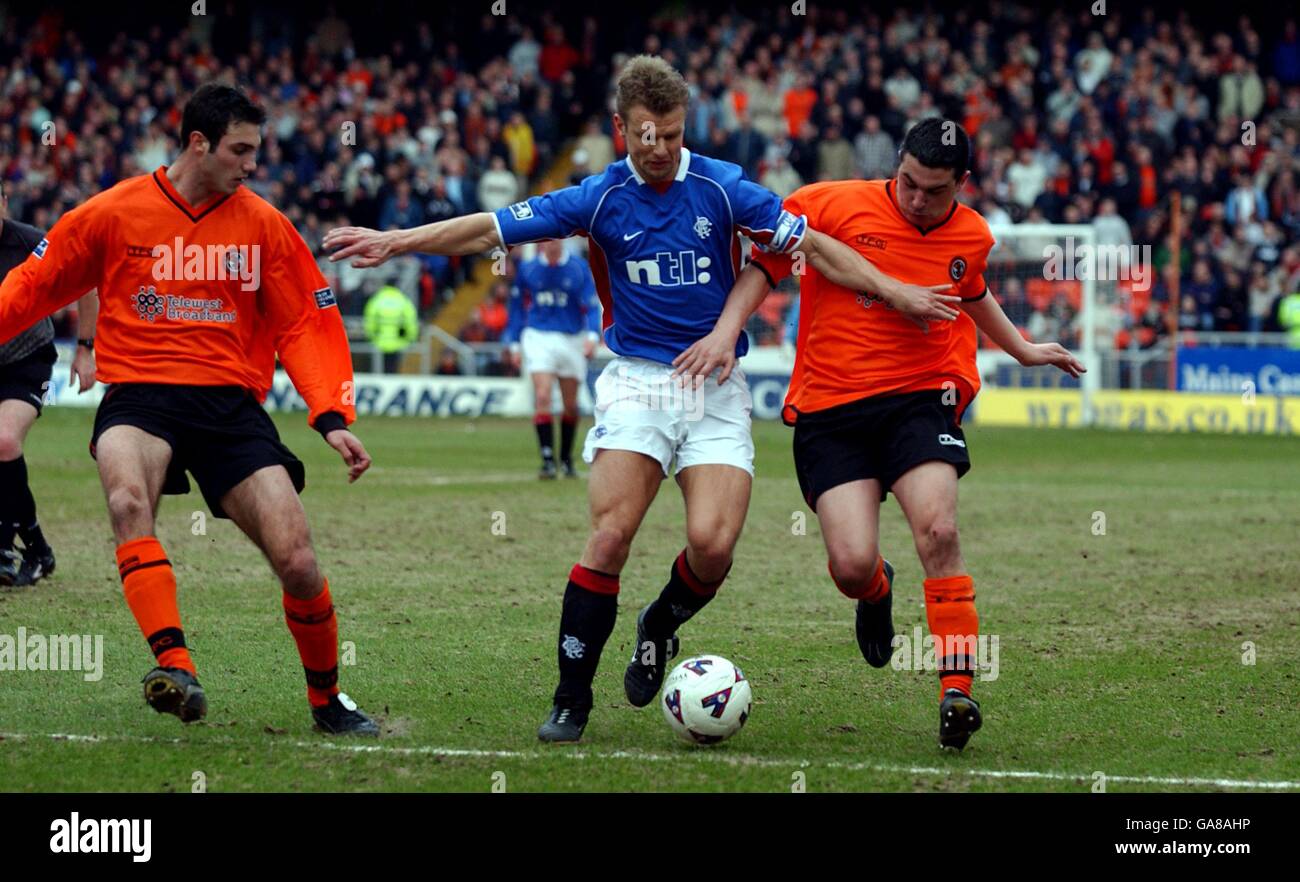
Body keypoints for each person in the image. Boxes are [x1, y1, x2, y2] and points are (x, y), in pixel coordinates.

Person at [325, 55, 957, 743]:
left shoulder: (723, 189)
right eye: (644, 136)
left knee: (712, 548)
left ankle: (659, 623)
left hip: (715, 386)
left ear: (687, 127)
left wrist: (895, 293)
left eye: (673, 135)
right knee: (608, 536)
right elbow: (490, 228)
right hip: (637, 382)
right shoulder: (597, 196)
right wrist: (396, 241)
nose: (658, 151)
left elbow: (816, 248)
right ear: (620, 126)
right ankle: (572, 699)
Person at [676, 118, 1084, 750]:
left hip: (920, 399)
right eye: (909, 183)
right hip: (832, 408)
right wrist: (728, 330)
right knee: (850, 564)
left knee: (941, 531)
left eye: (935, 191)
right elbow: (765, 265)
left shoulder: (973, 234)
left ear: (962, 184)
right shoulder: (827, 204)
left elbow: (971, 293)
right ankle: (877, 587)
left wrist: (1024, 349)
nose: (918, 199)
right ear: (896, 165)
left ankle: (957, 692)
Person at [0, 84, 379, 735]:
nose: (251, 164)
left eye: (255, 151)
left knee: (298, 560)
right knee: (126, 503)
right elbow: (36, 283)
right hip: (140, 396)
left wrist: (331, 413)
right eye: (241, 149)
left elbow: (306, 322)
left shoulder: (263, 225)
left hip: (230, 406)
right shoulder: (114, 212)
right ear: (198, 144)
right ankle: (175, 667)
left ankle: (327, 701)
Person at [0, 179, 98, 586]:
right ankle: (35, 548)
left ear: (4, 202)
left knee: (3, 442)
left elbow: (87, 281)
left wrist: (86, 347)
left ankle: (7, 546)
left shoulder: (31, 242)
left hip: (27, 361)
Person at [503, 238, 601, 478]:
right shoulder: (528, 269)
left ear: (562, 241)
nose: (550, 244)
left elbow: (590, 305)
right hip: (538, 336)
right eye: (545, 240)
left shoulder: (578, 267)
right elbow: (517, 308)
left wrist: (591, 335)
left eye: (554, 239)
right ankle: (547, 459)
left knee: (570, 405)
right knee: (543, 395)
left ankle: (566, 459)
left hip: (571, 338)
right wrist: (514, 344)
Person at [363, 283, 420, 373]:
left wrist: (372, 337)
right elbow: (411, 321)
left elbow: (369, 321)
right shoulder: (403, 300)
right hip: (398, 343)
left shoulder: (377, 299)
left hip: (379, 342)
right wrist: (409, 338)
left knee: (378, 370)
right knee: (394, 371)